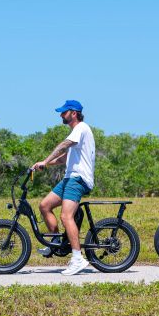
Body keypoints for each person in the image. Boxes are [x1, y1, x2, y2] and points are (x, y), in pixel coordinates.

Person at [32, 100, 95, 276]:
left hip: (78, 179)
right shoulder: (77, 132)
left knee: (66, 216)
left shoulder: (81, 128)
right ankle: (55, 245)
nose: (61, 115)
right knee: (45, 205)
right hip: (69, 178)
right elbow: (64, 158)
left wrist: (45, 159)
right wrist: (43, 164)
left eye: (64, 112)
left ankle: (77, 258)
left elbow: (63, 145)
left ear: (73, 113)